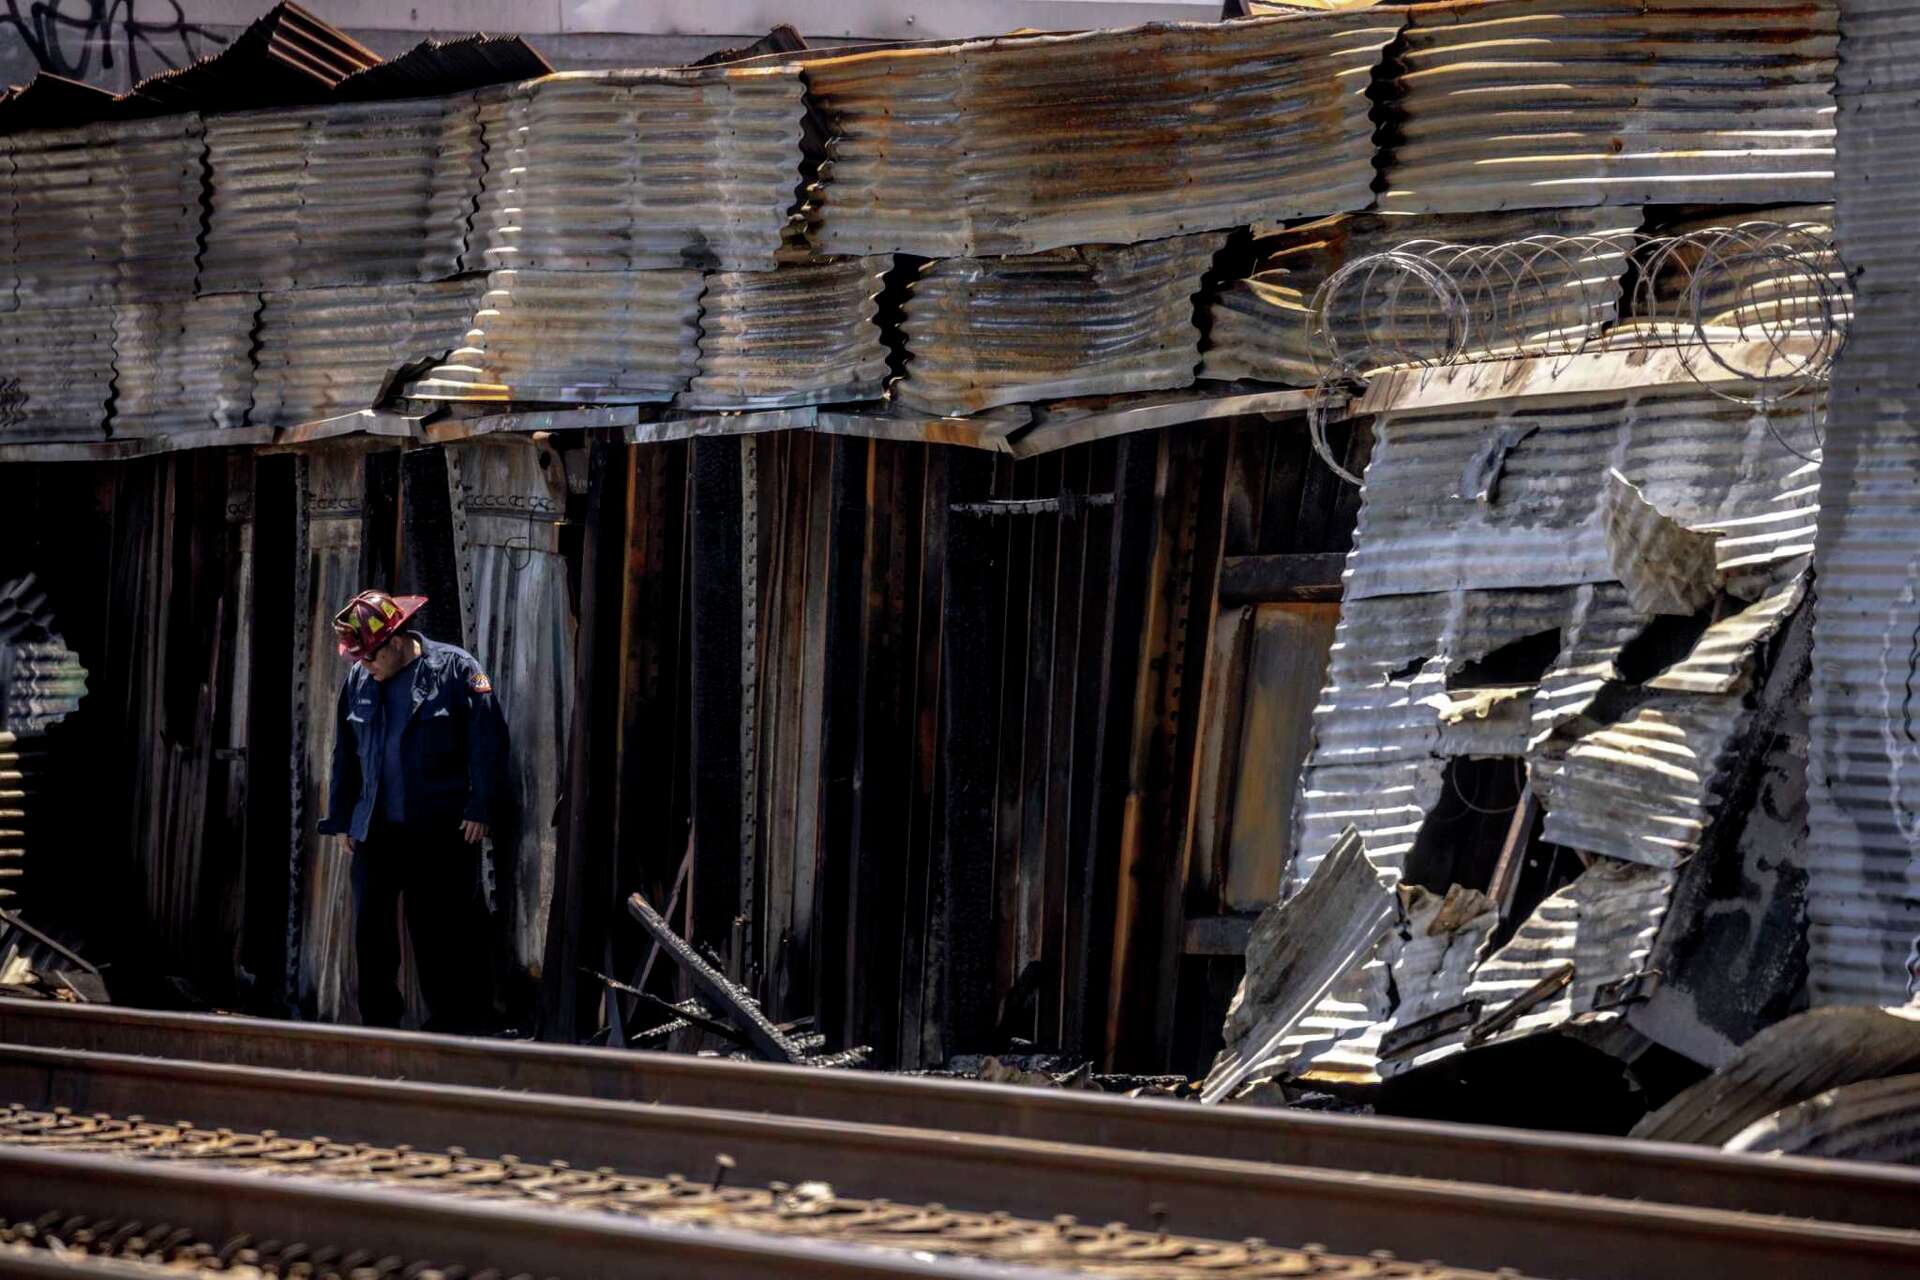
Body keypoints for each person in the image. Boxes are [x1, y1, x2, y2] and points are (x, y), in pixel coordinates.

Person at [317, 589, 507, 1033]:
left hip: (439, 827)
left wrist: (481, 806)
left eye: (371, 657)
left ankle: (450, 1027)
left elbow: (489, 740)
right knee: (371, 931)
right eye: (359, 659)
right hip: (377, 828)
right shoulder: (360, 680)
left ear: (397, 640)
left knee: (438, 932)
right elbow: (345, 751)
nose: (365, 666)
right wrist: (344, 816)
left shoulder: (456, 670)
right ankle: (379, 1025)